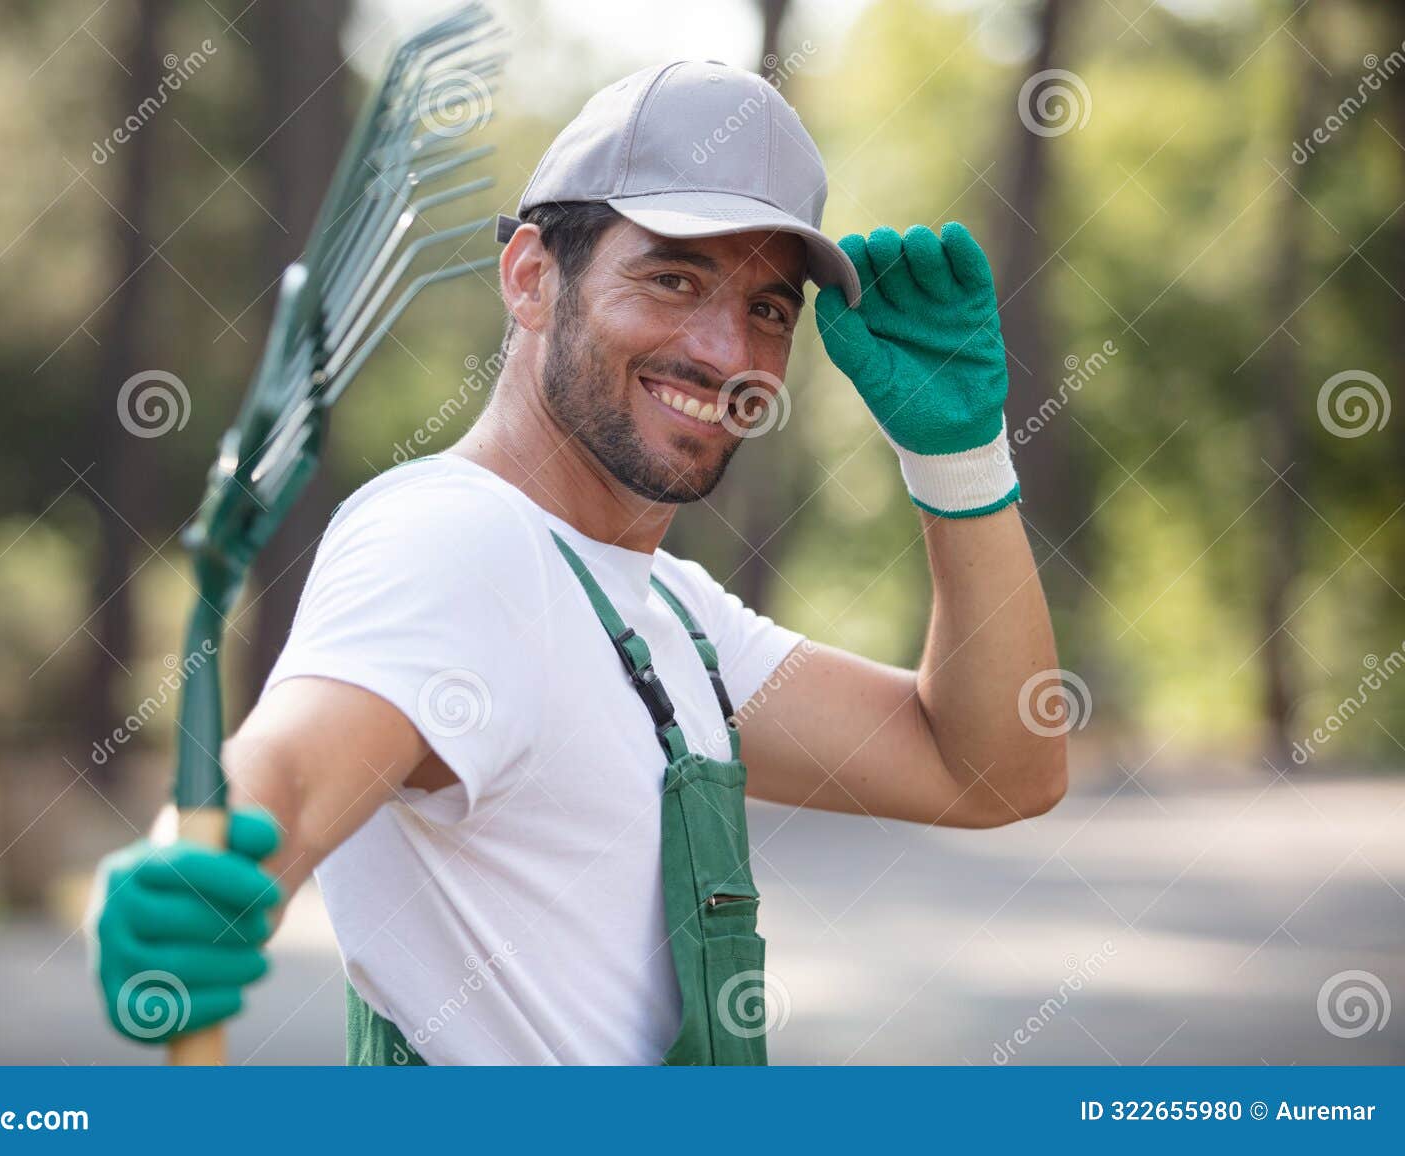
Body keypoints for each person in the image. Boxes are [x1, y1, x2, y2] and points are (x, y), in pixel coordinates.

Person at [88, 59, 1066, 1065]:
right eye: (674, 277)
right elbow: (291, 772)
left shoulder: (675, 616)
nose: (727, 350)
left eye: (768, 309)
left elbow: (992, 770)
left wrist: (957, 462)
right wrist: (189, 873)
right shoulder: (453, 540)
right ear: (529, 276)